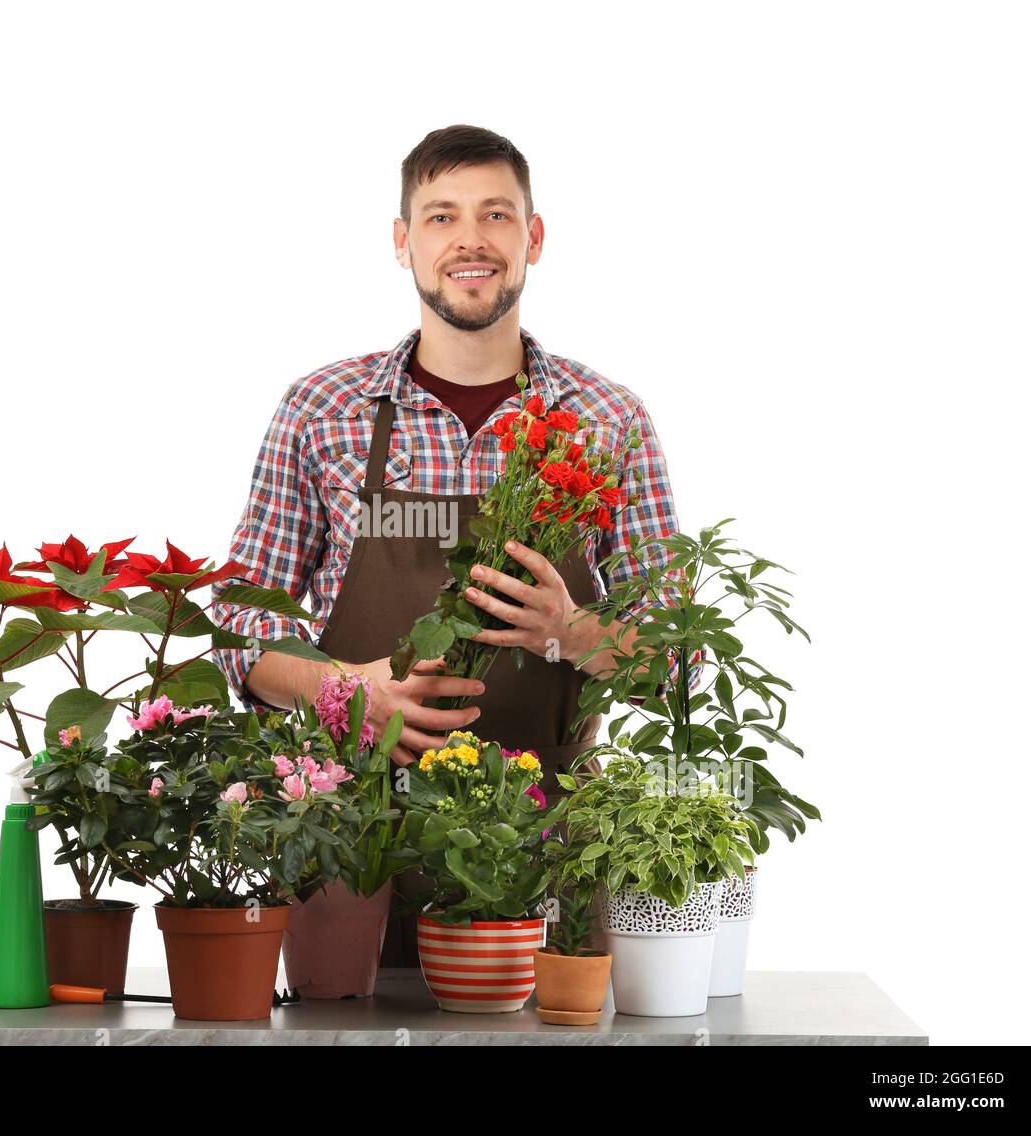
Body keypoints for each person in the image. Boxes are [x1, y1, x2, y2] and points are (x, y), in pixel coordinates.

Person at [212, 123, 698, 966]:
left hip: (542, 862)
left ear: (532, 238)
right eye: (440, 217)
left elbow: (679, 661)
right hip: (347, 849)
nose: (469, 240)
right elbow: (237, 631)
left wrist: (572, 631)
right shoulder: (322, 410)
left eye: (496, 215)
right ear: (403, 242)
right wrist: (346, 694)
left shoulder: (609, 420)